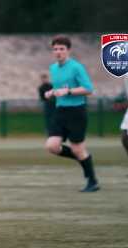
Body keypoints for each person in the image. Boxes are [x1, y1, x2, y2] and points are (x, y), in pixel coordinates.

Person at [43, 35, 98, 192]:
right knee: (52, 146)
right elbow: (60, 87)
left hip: (76, 112)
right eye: (55, 49)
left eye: (61, 49)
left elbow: (88, 89)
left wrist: (67, 91)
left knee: (77, 148)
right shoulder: (53, 68)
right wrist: (52, 92)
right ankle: (85, 158)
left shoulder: (76, 67)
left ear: (68, 50)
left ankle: (92, 181)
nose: (58, 52)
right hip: (60, 112)